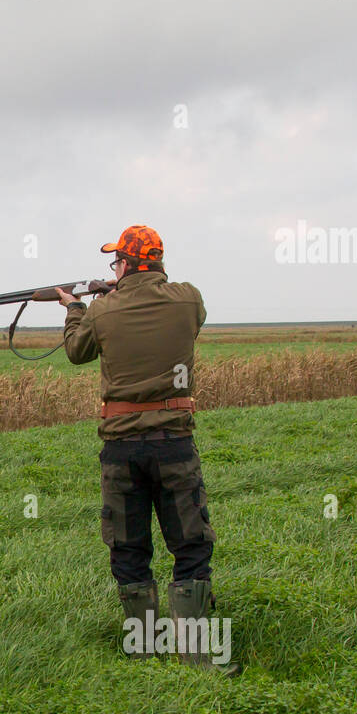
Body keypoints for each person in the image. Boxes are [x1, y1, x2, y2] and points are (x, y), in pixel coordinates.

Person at [55, 224, 239, 676]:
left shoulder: (103, 311)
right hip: (174, 443)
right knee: (191, 543)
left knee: (128, 547)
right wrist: (120, 286)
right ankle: (197, 656)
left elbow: (77, 353)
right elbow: (175, 308)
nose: (112, 267)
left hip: (120, 449)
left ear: (126, 263)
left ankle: (144, 651)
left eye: (116, 260)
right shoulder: (188, 299)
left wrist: (76, 307)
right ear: (157, 260)